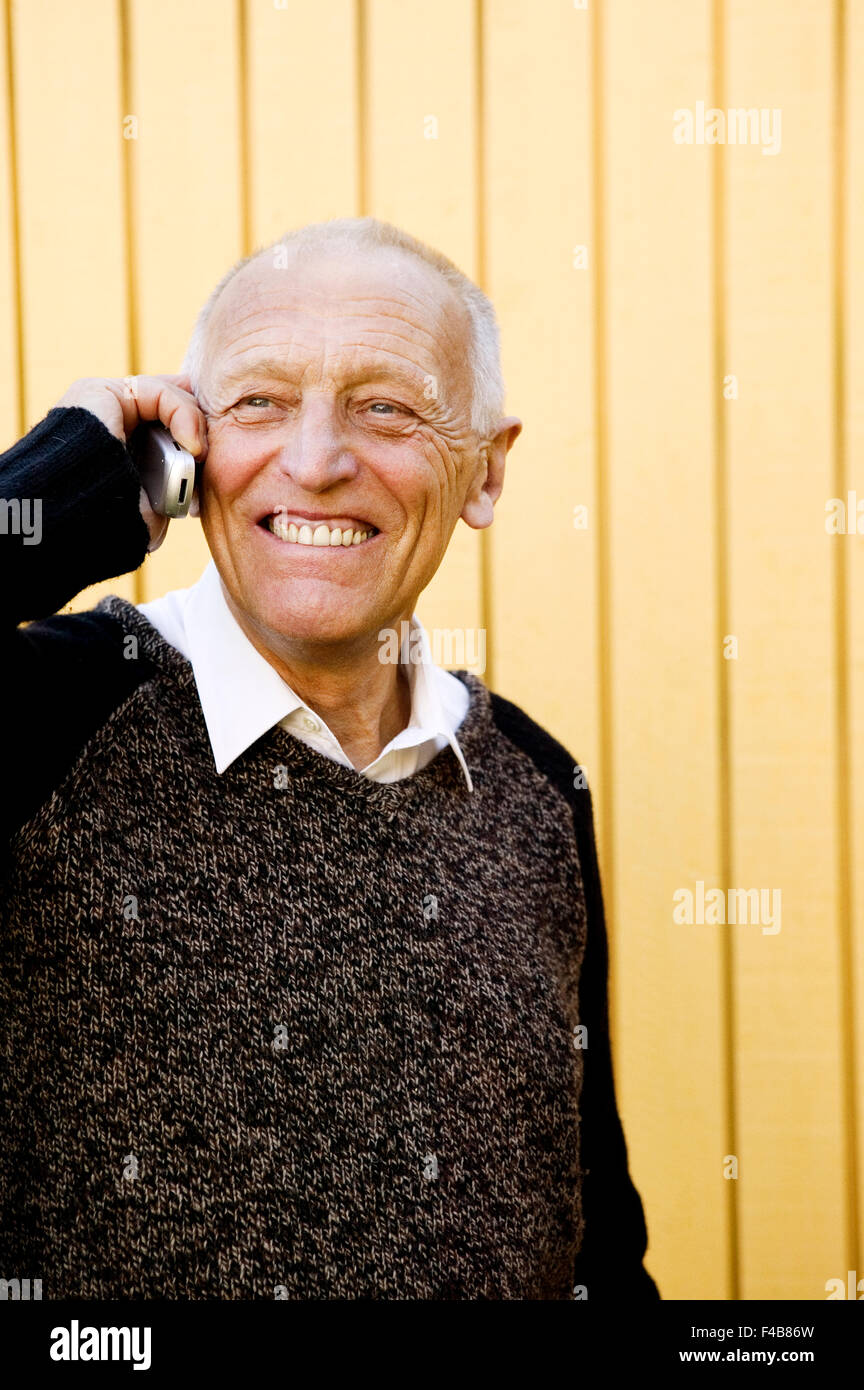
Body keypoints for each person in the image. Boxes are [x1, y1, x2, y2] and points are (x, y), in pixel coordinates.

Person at [0, 217, 658, 1300]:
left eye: (386, 407)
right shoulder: (45, 715)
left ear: (485, 472)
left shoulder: (538, 782)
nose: (315, 461)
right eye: (258, 402)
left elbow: (595, 1230)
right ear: (180, 454)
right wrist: (56, 493)